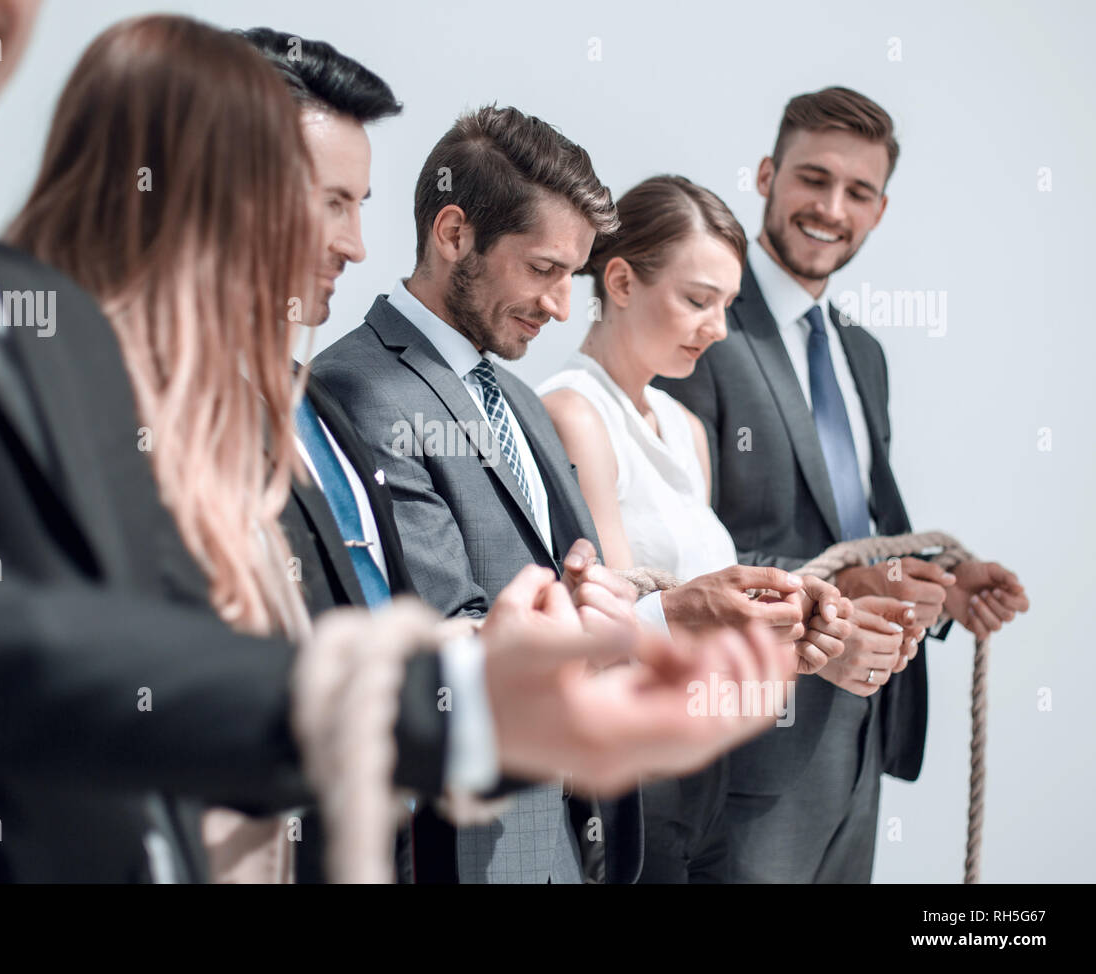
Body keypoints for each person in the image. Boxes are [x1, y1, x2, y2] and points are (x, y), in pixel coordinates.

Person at [0, 0, 789, 883]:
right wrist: (466, 694)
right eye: (324, 200)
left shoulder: (61, 329)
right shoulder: (138, 371)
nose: (352, 243)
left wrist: (554, 649)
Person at [314, 105, 812, 883]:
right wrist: (668, 614)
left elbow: (592, 599)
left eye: (568, 278)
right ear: (453, 235)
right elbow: (451, 641)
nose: (557, 305)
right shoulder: (362, 389)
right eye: (543, 269)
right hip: (469, 852)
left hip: (572, 848)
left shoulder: (518, 401)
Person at [656, 87, 1030, 882]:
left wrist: (949, 589)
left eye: (857, 192)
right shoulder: (702, 330)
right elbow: (671, 549)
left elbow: (870, 526)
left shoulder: (863, 356)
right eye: (812, 179)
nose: (830, 208)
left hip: (861, 740)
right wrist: (842, 583)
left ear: (880, 211)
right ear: (766, 175)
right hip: (746, 753)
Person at [539, 174, 930, 882]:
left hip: (710, 779)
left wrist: (823, 630)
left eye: (725, 304)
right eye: (697, 300)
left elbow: (708, 613)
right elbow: (616, 638)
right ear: (620, 281)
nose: (717, 329)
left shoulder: (685, 431)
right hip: (631, 786)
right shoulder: (572, 415)